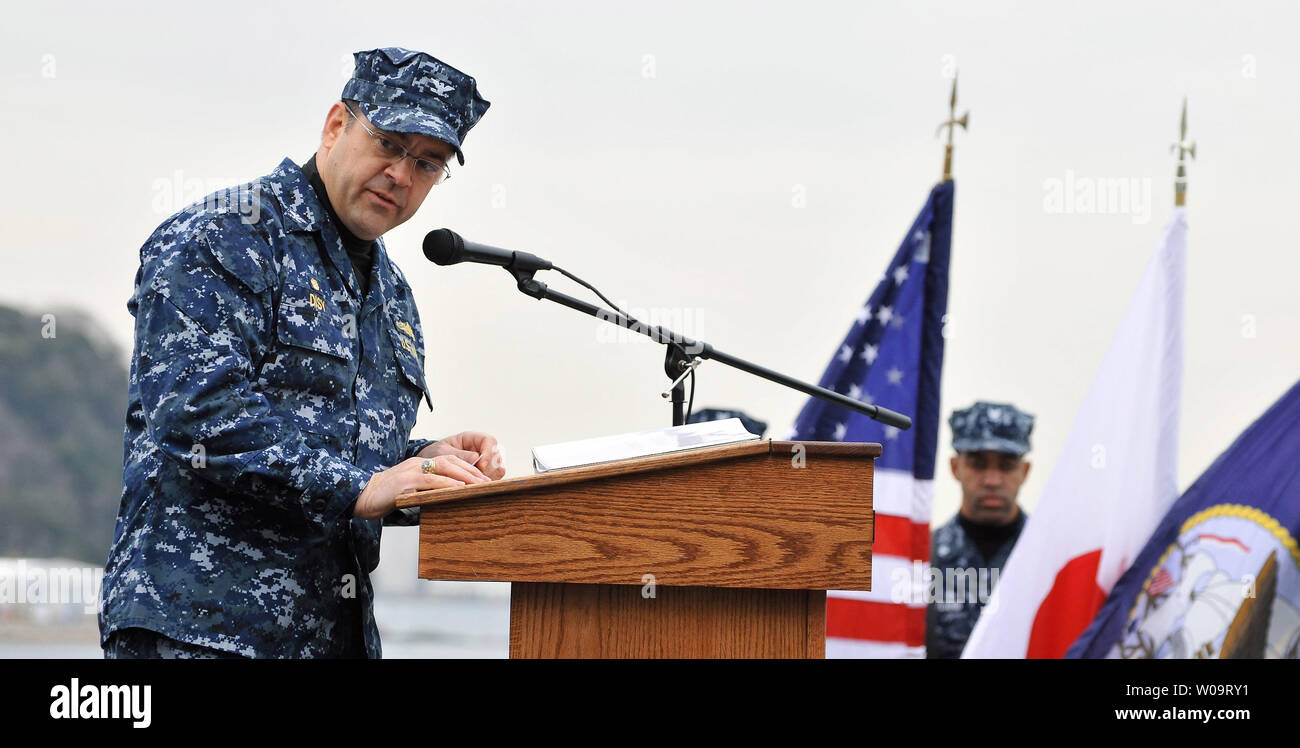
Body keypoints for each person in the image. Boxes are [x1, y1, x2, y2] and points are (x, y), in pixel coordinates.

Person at [99, 47, 502, 658]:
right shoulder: (224, 235)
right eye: (389, 143)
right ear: (337, 125)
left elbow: (351, 455)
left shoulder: (391, 293)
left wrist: (427, 463)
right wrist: (366, 482)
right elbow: (195, 412)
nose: (401, 173)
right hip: (204, 628)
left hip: (331, 637)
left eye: (428, 162)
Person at [926, 401, 1034, 659]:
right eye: (978, 464)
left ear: (1025, 471)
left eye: (1006, 465)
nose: (992, 480)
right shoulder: (922, 558)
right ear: (955, 468)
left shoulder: (1049, 558)